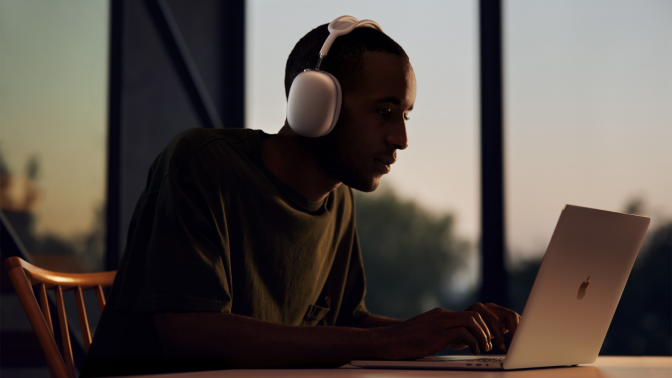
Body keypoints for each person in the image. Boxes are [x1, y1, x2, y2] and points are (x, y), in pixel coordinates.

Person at [81, 18, 520, 377]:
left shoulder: (338, 200)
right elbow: (189, 335)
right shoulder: (202, 164)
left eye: (404, 115)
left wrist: (446, 330)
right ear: (315, 103)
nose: (401, 138)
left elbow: (346, 324)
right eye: (385, 112)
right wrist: (391, 341)